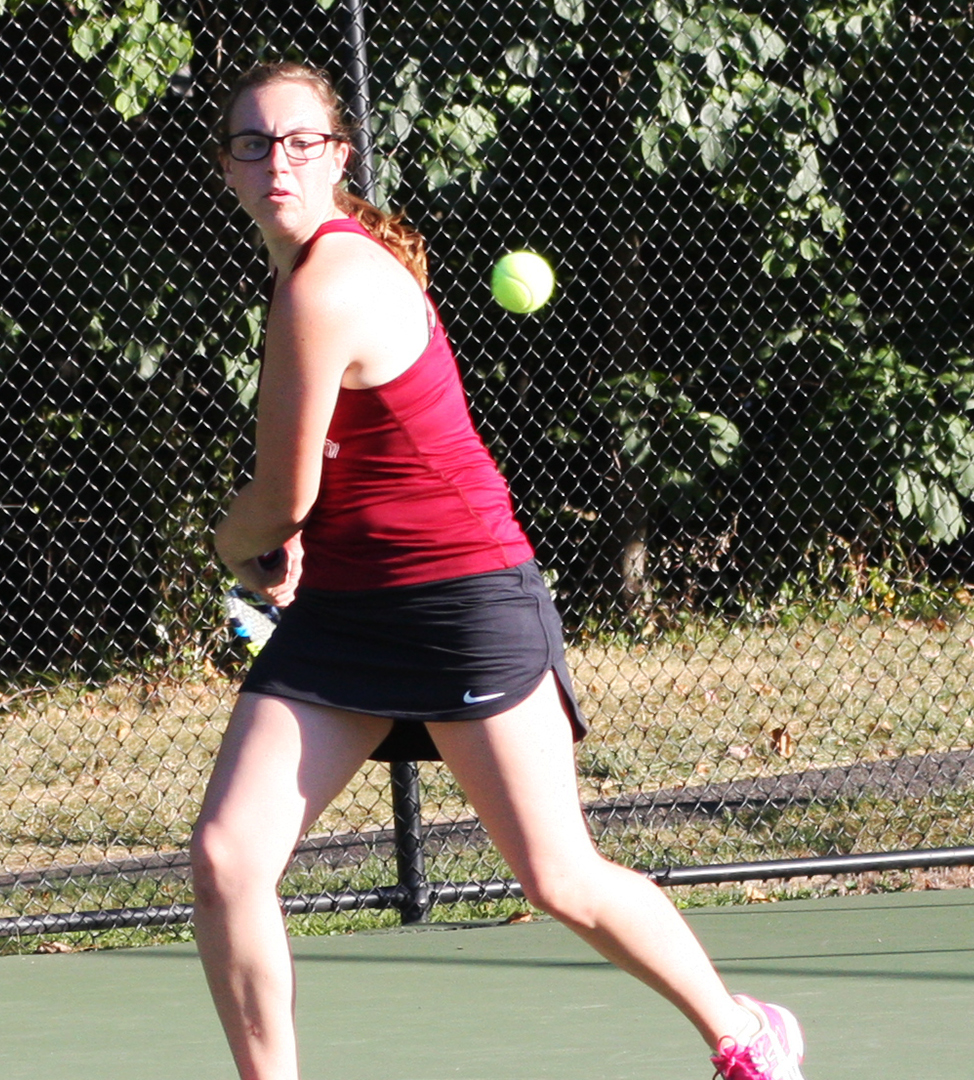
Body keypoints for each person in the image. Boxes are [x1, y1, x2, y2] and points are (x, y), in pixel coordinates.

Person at [191, 61, 807, 1080]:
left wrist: (232, 547)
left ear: (339, 156)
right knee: (225, 860)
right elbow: (345, 472)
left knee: (558, 876)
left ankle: (745, 1037)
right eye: (254, 144)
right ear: (228, 169)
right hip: (348, 611)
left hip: (463, 603)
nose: (277, 162)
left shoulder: (326, 282)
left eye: (301, 141)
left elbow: (278, 495)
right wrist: (298, 543)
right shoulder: (301, 280)